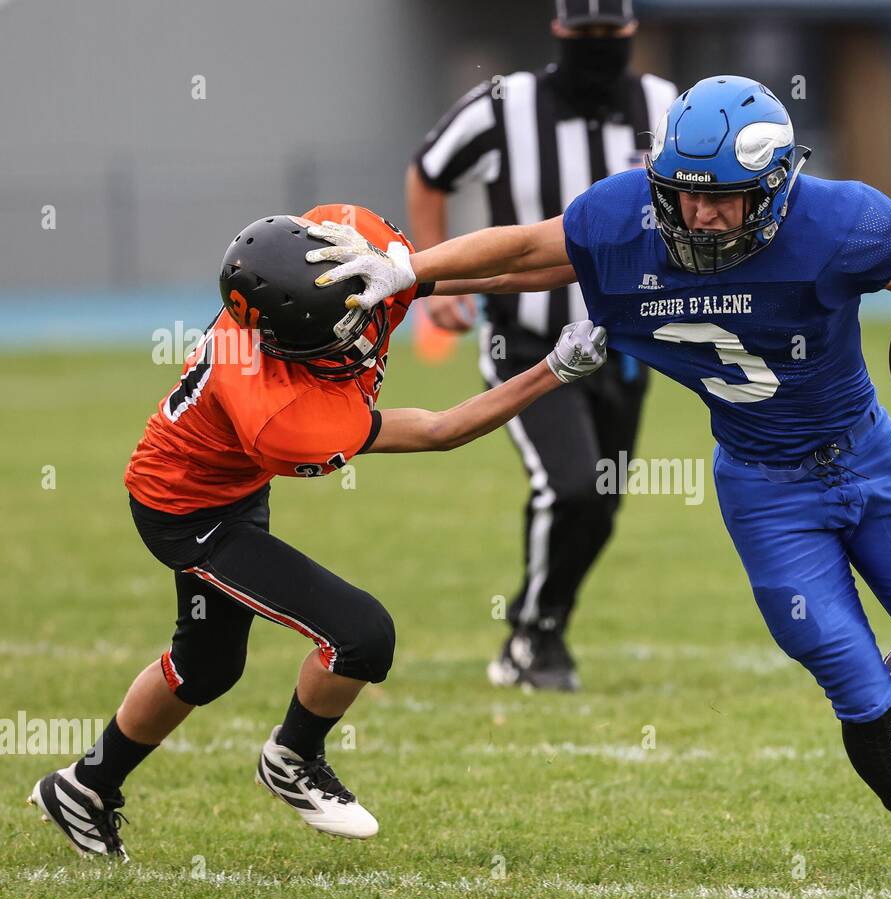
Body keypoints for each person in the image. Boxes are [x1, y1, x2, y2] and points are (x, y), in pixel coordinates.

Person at [314, 76, 891, 882]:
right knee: (848, 677)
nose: (699, 217)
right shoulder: (622, 221)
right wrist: (410, 270)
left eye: (724, 199)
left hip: (867, 461)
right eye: (684, 196)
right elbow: (521, 255)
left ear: (778, 187)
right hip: (765, 489)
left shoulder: (839, 225)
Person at [27, 204, 607, 860]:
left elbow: (488, 270)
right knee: (362, 636)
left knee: (208, 664)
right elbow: (440, 431)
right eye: (336, 337)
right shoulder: (279, 413)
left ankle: (85, 787)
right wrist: (551, 372)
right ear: (283, 343)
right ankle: (293, 757)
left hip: (227, 487)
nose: (359, 340)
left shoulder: (345, 263)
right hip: (188, 513)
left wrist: (595, 269)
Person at [407, 0, 676, 691]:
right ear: (558, 32)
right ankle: (533, 637)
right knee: (572, 485)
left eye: (607, 34)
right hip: (527, 336)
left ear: (629, 33)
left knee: (603, 502)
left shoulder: (665, 104)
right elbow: (430, 170)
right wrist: (435, 275)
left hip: (624, 342)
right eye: (583, 34)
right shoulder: (505, 104)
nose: (596, 46)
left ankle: (542, 627)